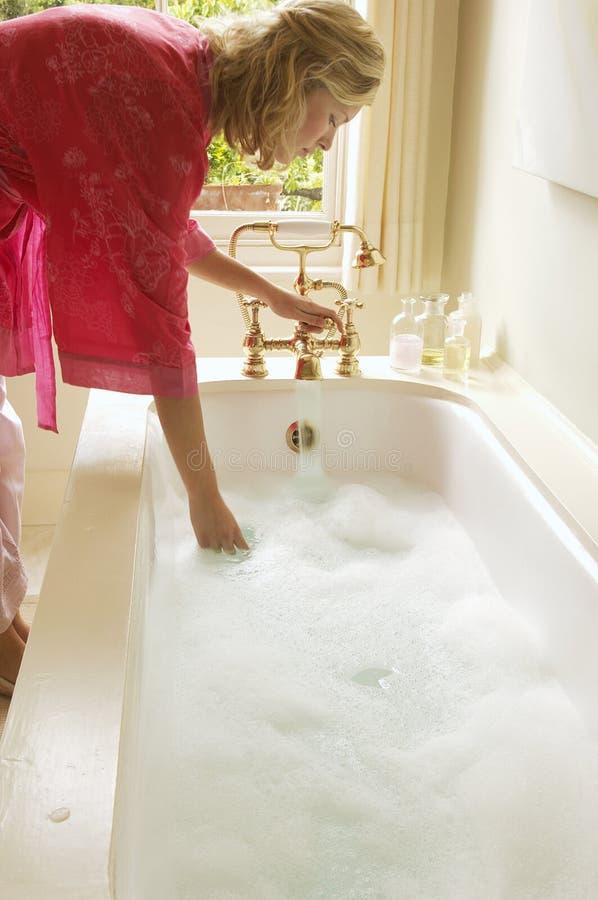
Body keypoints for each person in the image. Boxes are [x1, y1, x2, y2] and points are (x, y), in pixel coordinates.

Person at [0, 0, 385, 692]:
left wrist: (268, 294)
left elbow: (161, 223)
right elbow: (162, 330)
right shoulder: (165, 102)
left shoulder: (182, 71)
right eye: (332, 118)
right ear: (297, 77)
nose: (327, 144)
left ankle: (3, 621)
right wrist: (204, 497)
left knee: (0, 440)